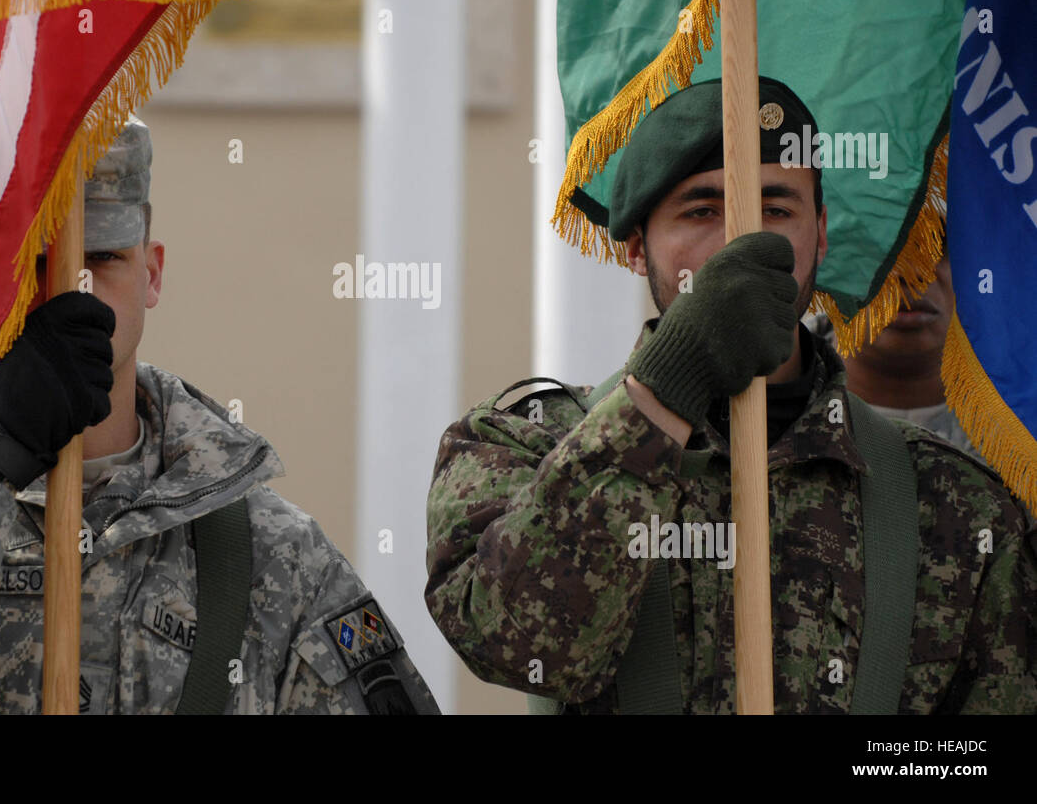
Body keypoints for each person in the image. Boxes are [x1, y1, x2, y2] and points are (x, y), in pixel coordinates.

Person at [0, 117, 439, 715]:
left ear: (153, 273)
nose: (72, 289)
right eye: (33, 262)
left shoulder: (272, 556)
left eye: (101, 257)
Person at [425, 77, 1037, 714]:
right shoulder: (521, 445)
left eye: (776, 211)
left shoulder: (951, 499)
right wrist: (671, 381)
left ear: (819, 234)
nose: (742, 243)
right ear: (636, 247)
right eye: (700, 211)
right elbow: (515, 642)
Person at [806, 246, 989, 469]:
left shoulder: (1023, 436)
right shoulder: (761, 417)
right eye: (878, 243)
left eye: (938, 246)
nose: (909, 273)